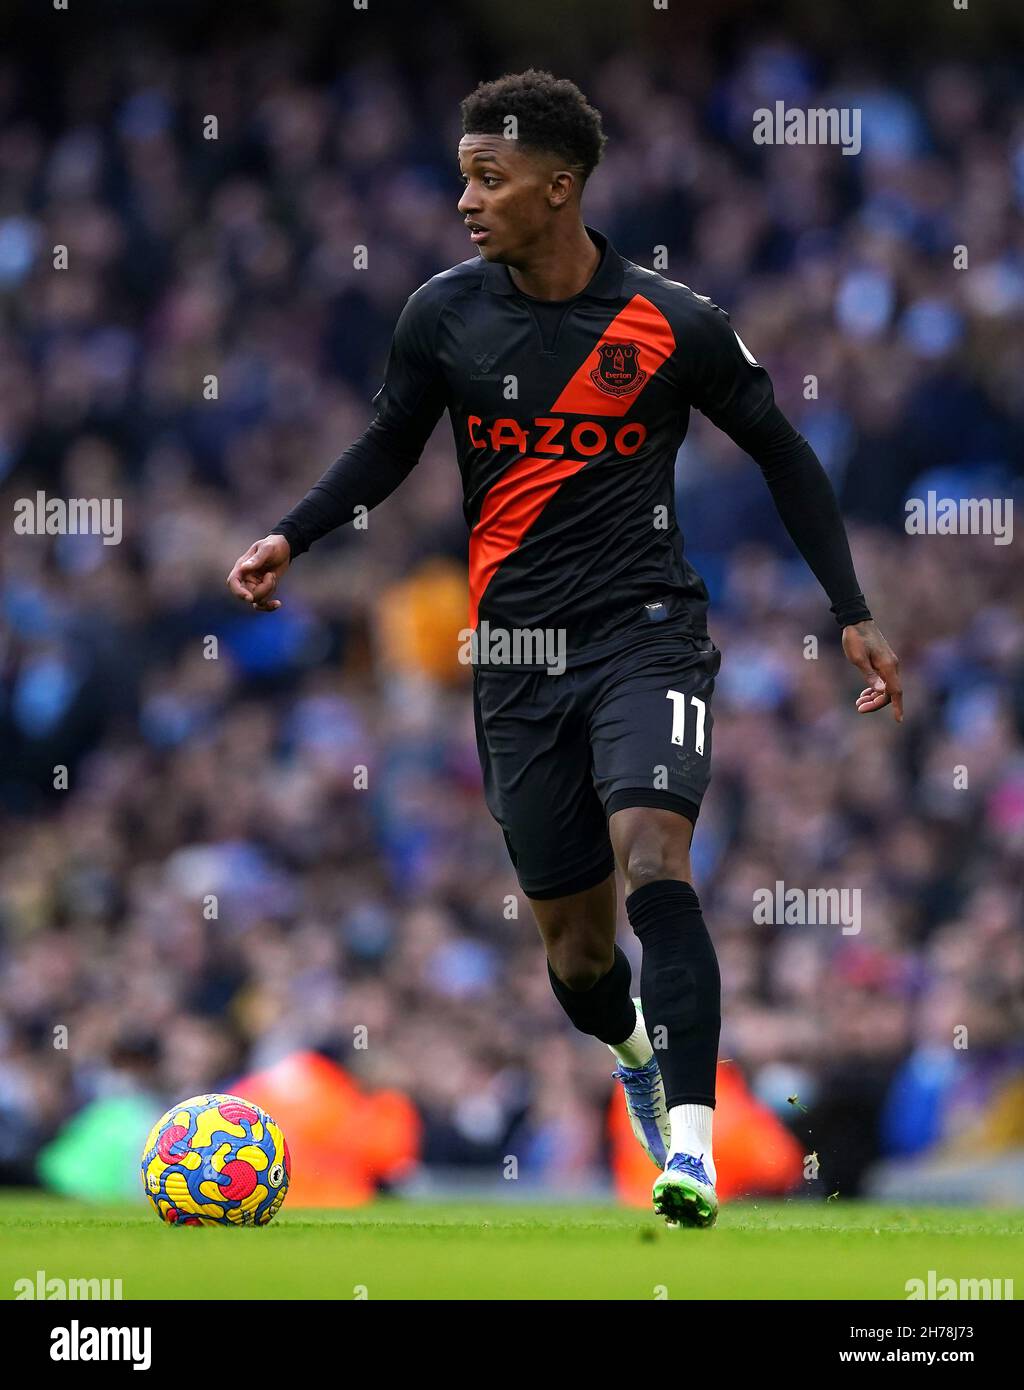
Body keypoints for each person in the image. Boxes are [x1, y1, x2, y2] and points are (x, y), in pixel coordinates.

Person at [227, 69, 902, 1227]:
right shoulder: (443, 314)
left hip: (647, 633)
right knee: (581, 958)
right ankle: (634, 1054)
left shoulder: (674, 323)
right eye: (461, 179)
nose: (465, 202)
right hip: (515, 657)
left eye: (487, 180)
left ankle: (685, 1149)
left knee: (655, 862)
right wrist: (295, 532)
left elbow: (784, 454)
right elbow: (390, 444)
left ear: (559, 186)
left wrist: (849, 606)